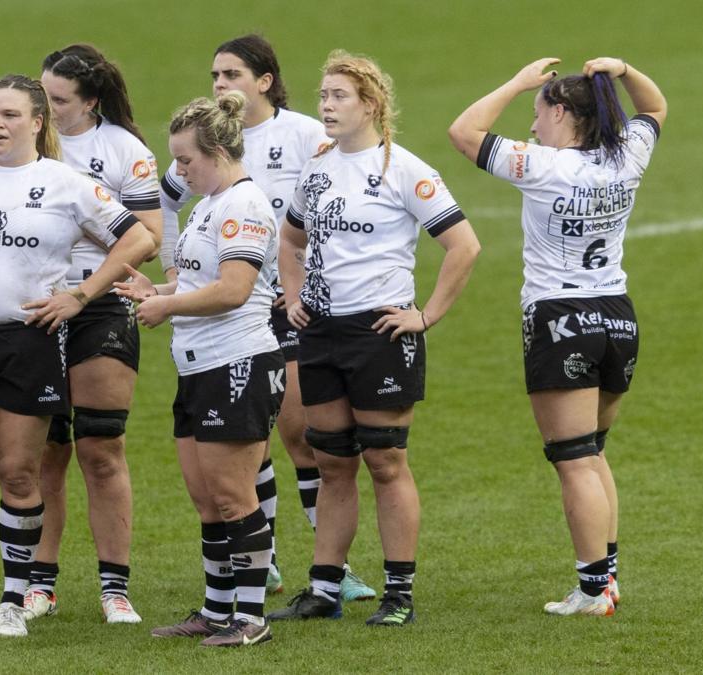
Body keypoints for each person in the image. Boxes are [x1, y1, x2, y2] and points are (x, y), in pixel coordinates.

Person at [0, 74, 155, 639]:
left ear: (37, 122)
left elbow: (138, 239)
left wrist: (81, 295)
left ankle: (13, 601)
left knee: (18, 474)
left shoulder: (65, 183)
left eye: (10, 115)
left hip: (30, 342)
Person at [158, 33, 376, 603]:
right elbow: (163, 202)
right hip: (230, 308)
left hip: (285, 305)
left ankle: (332, 564)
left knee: (300, 435)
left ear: (265, 80)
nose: (221, 84)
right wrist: (174, 268)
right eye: (215, 75)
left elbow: (332, 201)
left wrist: (308, 280)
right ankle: (265, 560)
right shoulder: (206, 141)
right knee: (243, 448)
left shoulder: (303, 134)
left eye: (232, 74)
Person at [268, 51, 480, 626]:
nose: (326, 107)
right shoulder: (314, 170)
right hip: (322, 333)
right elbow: (289, 241)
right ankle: (323, 589)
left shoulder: (405, 170)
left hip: (380, 331)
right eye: (323, 96)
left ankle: (399, 595)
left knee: (386, 461)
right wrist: (292, 298)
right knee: (331, 463)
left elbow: (464, 245)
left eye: (339, 96)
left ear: (371, 105)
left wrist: (426, 315)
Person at [448, 57, 666, 616]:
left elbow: (463, 132)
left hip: (560, 319)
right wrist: (625, 69)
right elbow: (654, 108)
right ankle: (606, 579)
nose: (530, 125)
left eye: (537, 112)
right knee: (592, 457)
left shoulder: (543, 165)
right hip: (617, 316)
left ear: (562, 111)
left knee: (573, 461)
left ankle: (593, 590)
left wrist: (516, 80)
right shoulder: (628, 156)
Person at [118, 91, 282, 648]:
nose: (179, 171)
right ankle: (215, 611)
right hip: (199, 366)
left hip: (236, 362)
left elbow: (235, 291)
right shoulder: (209, 205)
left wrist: (167, 307)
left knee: (235, 496)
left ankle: (251, 616)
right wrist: (157, 289)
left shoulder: (243, 205)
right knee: (206, 497)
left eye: (186, 159)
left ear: (216, 151)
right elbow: (199, 283)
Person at [21, 44, 162, 625]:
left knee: (102, 448)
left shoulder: (124, 150)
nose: (46, 112)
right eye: (43, 98)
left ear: (91, 102)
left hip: (98, 304)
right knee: (44, 451)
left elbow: (148, 234)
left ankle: (114, 589)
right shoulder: (23, 142)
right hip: (34, 306)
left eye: (58, 102)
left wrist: (87, 256)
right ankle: (40, 583)